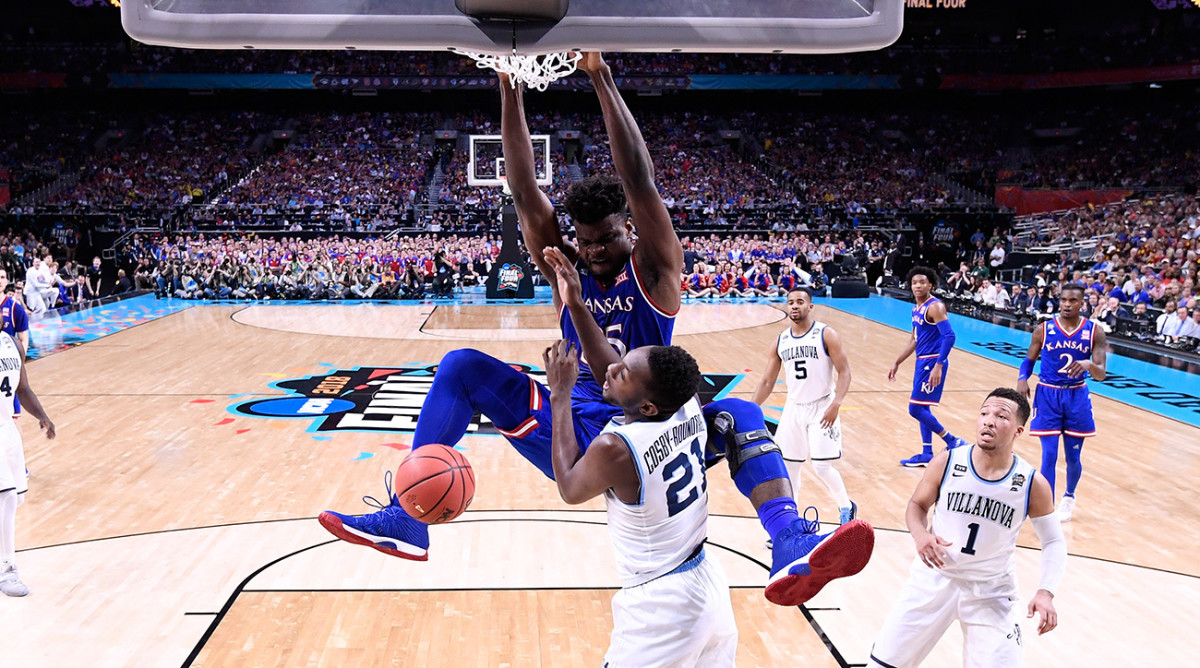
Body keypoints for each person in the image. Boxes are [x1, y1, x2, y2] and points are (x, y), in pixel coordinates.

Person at [319, 53, 873, 607]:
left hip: (650, 420)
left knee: (742, 415)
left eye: (606, 238)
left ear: (630, 229)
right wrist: (509, 85)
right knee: (461, 366)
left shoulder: (654, 270)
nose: (595, 251)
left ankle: (788, 539)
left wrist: (600, 76)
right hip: (577, 423)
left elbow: (639, 180)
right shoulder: (568, 267)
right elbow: (523, 190)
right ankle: (407, 516)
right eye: (585, 242)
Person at [542, 328, 734, 664]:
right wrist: (575, 305)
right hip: (707, 579)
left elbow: (570, 488)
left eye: (623, 373)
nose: (611, 368)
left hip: (663, 605)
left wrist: (560, 394)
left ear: (647, 406)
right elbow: (627, 376)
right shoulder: (687, 403)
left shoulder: (616, 448)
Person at [868, 388, 1064, 668]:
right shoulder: (947, 461)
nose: (989, 421)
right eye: (984, 413)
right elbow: (917, 505)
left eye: (1001, 416)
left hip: (992, 592)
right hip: (933, 579)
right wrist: (921, 536)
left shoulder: (1032, 483)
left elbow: (1054, 541)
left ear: (1018, 431)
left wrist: (1046, 591)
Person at [752, 287, 857, 527]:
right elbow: (767, 381)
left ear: (810, 306)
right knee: (790, 468)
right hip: (794, 407)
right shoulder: (780, 341)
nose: (794, 306)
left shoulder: (826, 334)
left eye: (800, 302)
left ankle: (846, 507)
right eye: (791, 302)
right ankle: (792, 522)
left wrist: (837, 403)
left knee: (822, 466)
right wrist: (751, 408)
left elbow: (845, 371)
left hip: (823, 405)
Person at [1016, 284, 1107, 522]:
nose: (1067, 304)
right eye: (1064, 300)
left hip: (1076, 396)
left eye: (1073, 300)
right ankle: (1046, 506)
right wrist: (1022, 378)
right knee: (1049, 454)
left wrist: (1089, 365)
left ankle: (1068, 497)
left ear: (1082, 303)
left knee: (1073, 457)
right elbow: (1029, 359)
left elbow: (1101, 374)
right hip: (1048, 394)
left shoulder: (1094, 331)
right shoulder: (1043, 329)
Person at [889, 266, 969, 467]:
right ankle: (927, 453)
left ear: (931, 285)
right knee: (923, 406)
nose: (918, 286)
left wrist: (938, 365)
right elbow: (914, 340)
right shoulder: (916, 309)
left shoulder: (935, 307)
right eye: (914, 283)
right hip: (922, 361)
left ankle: (952, 441)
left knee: (915, 408)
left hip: (933, 361)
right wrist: (897, 362)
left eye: (922, 282)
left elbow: (949, 336)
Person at [0, 331, 57, 597]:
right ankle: (7, 569)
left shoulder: (11, 343)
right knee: (7, 497)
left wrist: (42, 415)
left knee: (17, 498)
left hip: (7, 431)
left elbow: (22, 388)